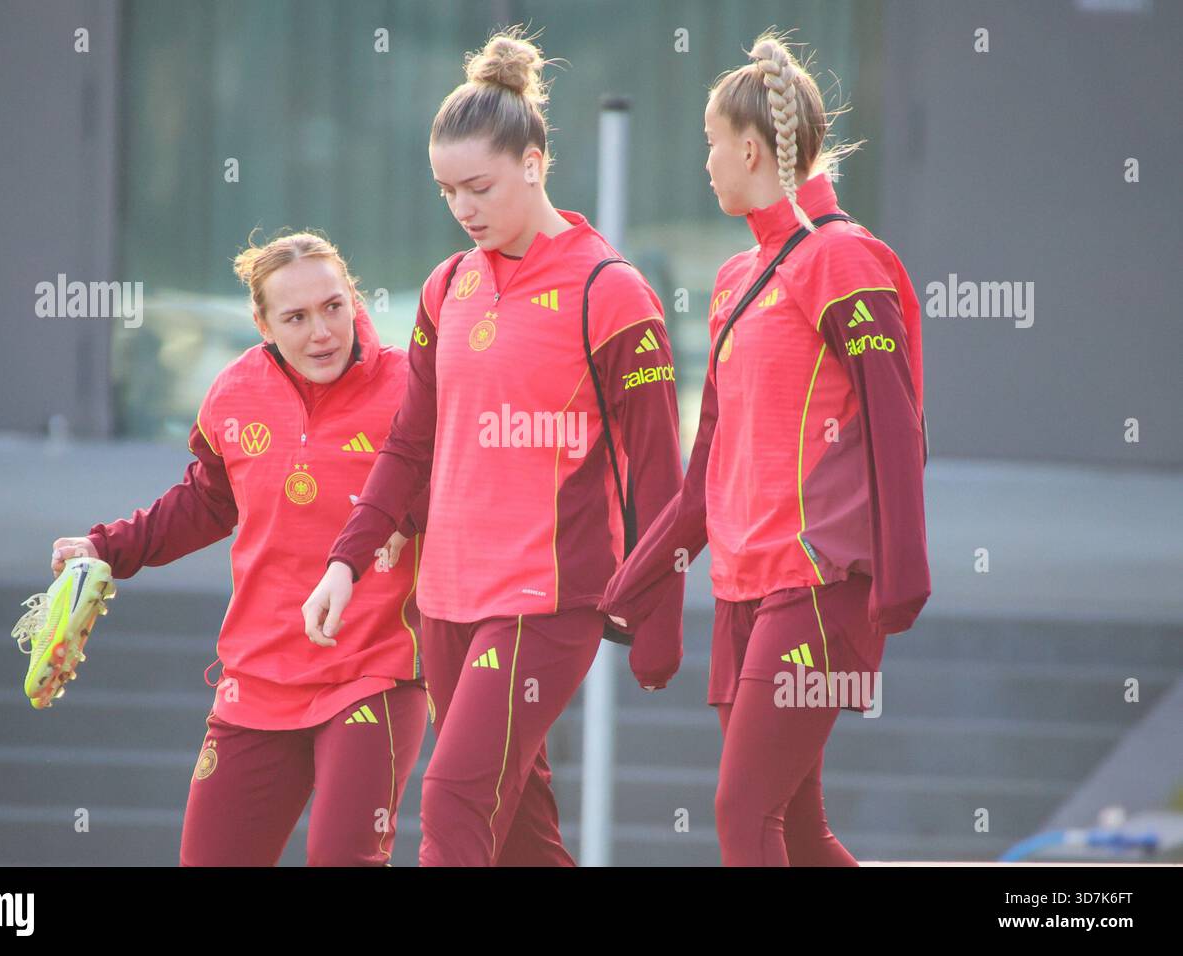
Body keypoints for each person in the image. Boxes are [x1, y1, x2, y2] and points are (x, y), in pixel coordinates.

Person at [302, 28, 684, 866]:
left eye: (478, 185)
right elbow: (410, 444)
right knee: (521, 841)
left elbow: (661, 477)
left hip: (548, 602)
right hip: (443, 598)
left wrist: (662, 613)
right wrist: (345, 560)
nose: (463, 208)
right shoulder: (448, 286)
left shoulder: (610, 292)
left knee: (453, 797)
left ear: (535, 162)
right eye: (447, 192)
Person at [599, 30, 931, 866]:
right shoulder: (731, 280)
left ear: (750, 148)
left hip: (819, 584)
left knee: (743, 813)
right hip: (743, 591)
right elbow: (706, 465)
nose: (705, 162)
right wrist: (633, 585)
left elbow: (898, 425)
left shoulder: (843, 258)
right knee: (799, 830)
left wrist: (903, 573)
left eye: (711, 144)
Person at [51, 230, 429, 865]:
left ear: (353, 298)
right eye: (296, 317)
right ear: (261, 322)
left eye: (334, 306)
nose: (322, 332)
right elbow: (204, 502)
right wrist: (104, 547)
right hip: (257, 676)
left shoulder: (408, 387)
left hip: (374, 671)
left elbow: (452, 488)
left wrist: (406, 518)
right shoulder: (233, 392)